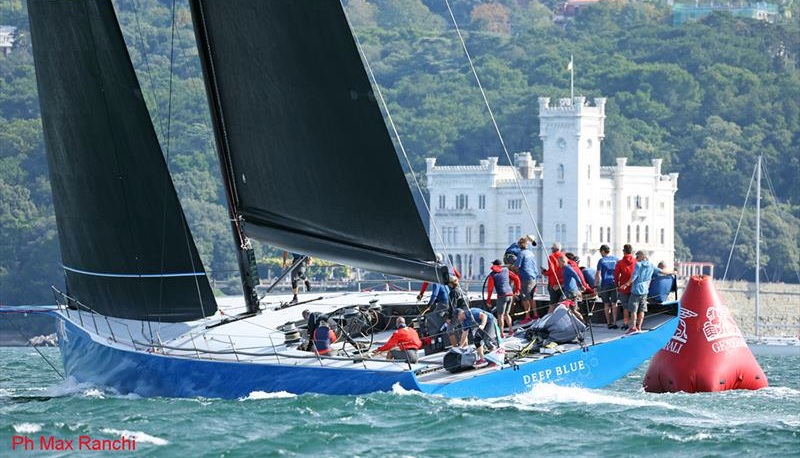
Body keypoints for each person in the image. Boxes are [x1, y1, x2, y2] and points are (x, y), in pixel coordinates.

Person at [621, 251, 655, 334]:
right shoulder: (651, 265)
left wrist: (626, 285)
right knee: (642, 309)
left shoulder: (638, 264)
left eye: (637, 256)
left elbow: (634, 277)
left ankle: (633, 327)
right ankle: (639, 327)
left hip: (636, 289)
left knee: (634, 310)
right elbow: (657, 273)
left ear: (641, 256)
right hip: (645, 289)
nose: (636, 258)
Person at [486, 259, 520, 337]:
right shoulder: (506, 270)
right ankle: (511, 330)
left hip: (502, 296)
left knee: (500, 315)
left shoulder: (492, 275)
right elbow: (516, 278)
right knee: (507, 314)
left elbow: (490, 289)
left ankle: (501, 334)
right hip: (510, 295)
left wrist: (488, 301)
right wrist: (517, 289)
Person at [514, 237, 540, 324]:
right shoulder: (530, 253)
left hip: (525, 277)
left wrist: (510, 267)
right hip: (533, 277)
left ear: (519, 245)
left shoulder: (521, 254)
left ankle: (528, 317)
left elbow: (517, 267)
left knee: (524, 298)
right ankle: (536, 315)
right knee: (531, 297)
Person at [555, 254, 586, 323]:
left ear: (563, 262)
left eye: (559, 262)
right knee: (572, 309)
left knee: (561, 306)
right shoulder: (567, 268)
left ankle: (581, 322)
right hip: (571, 291)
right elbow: (568, 281)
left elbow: (576, 276)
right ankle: (582, 323)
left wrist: (581, 286)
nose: (558, 264)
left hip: (570, 292)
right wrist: (559, 286)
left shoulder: (567, 268)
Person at [594, 245, 620, 329]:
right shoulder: (616, 259)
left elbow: (598, 274)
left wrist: (595, 286)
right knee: (614, 303)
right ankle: (615, 322)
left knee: (606, 304)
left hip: (605, 284)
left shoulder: (601, 261)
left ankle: (609, 323)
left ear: (602, 251)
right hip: (614, 283)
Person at [614, 244, 637, 330]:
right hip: (634, 287)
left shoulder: (620, 262)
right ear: (631, 252)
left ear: (624, 251)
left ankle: (625, 323)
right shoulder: (636, 261)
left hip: (623, 287)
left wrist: (617, 285)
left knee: (625, 307)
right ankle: (634, 325)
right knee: (634, 307)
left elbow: (616, 275)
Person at [543, 242, 565, 312]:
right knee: (562, 303)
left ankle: (548, 320)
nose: (551, 249)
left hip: (553, 282)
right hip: (562, 282)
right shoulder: (564, 256)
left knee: (553, 304)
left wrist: (545, 273)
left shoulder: (551, 256)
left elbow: (552, 270)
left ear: (554, 249)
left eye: (552, 248)